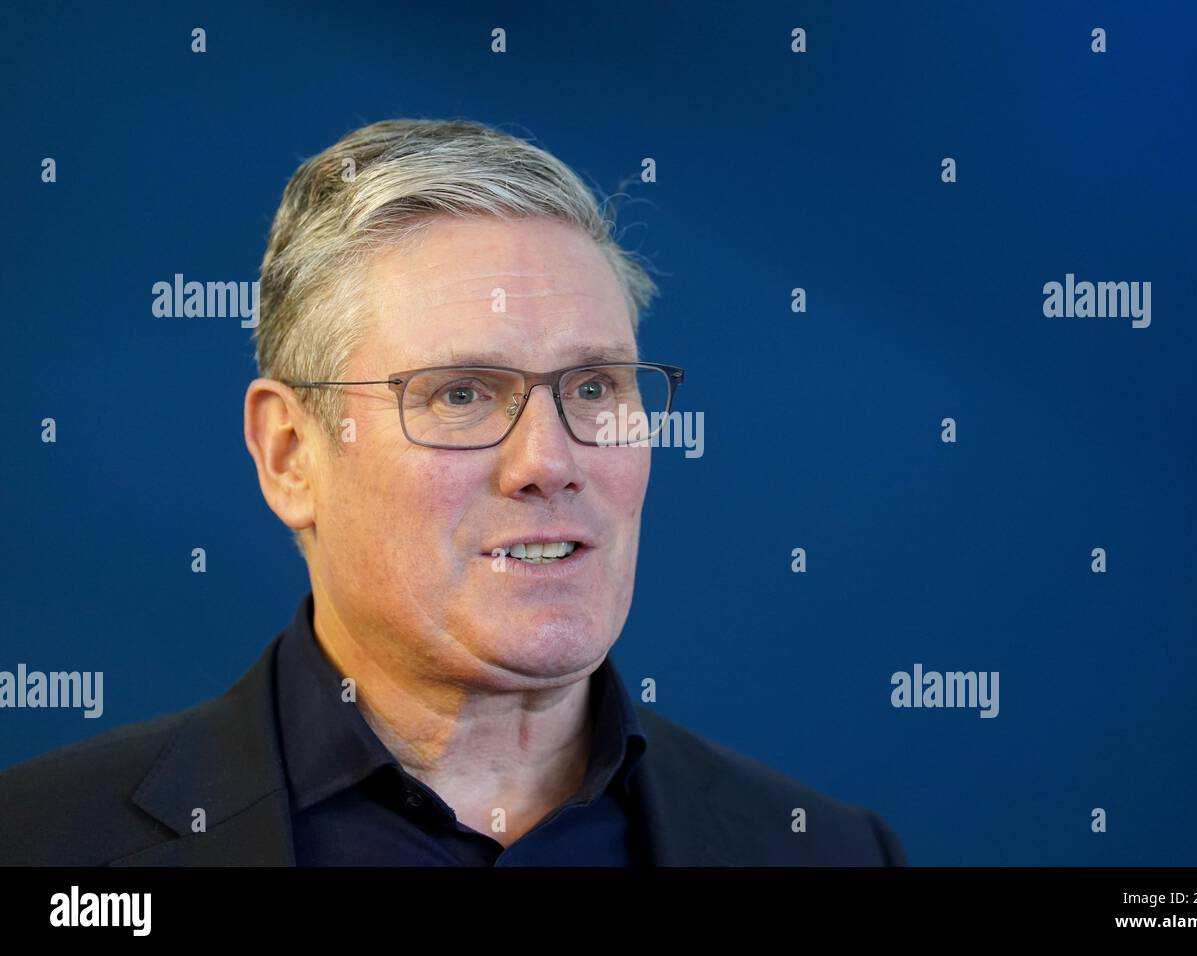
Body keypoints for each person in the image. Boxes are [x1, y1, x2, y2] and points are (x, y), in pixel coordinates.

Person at [0, 119, 904, 866]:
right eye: (462, 395)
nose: (548, 462)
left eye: (594, 388)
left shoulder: (828, 853)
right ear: (290, 455)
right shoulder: (45, 846)